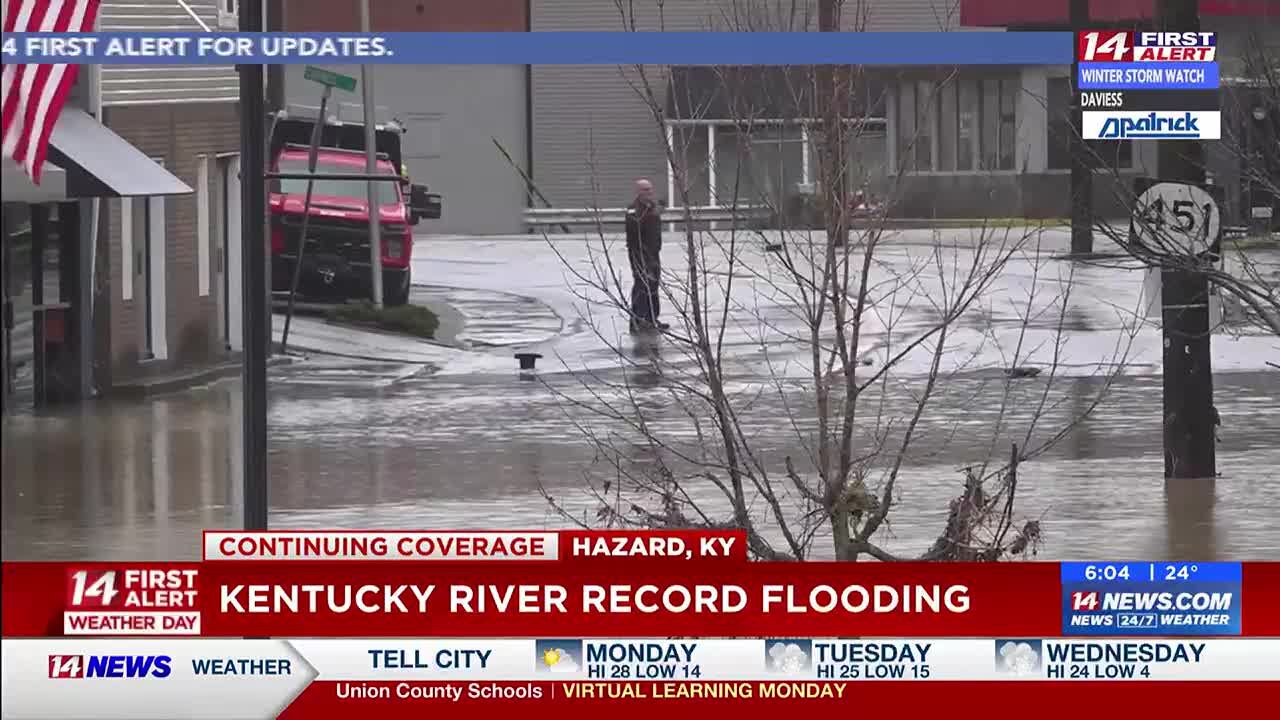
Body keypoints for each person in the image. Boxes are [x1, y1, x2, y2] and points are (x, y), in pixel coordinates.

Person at [625, 178, 667, 333]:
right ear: (638, 192)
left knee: (653, 285)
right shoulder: (634, 209)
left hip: (654, 253)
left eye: (650, 189)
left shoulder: (651, 207)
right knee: (642, 285)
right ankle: (637, 320)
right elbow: (634, 224)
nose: (649, 192)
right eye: (645, 190)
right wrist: (651, 213)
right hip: (639, 253)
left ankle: (651, 319)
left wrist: (658, 210)